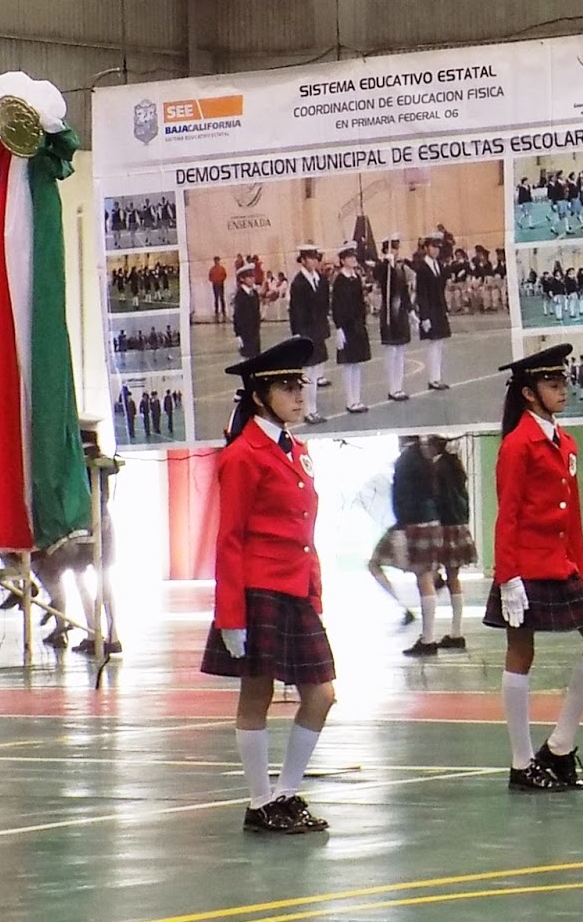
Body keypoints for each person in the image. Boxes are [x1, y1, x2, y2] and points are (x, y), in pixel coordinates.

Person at [199, 337, 336, 834]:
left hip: (294, 591)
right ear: (259, 396)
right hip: (257, 592)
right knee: (255, 699)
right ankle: (260, 803)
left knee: (321, 695)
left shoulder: (295, 450)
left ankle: (287, 793)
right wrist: (230, 615)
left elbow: (304, 530)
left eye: (300, 384)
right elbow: (229, 539)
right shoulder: (243, 456)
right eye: (286, 386)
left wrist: (313, 590)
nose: (299, 395)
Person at [485, 345, 583, 791]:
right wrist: (507, 578)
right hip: (524, 568)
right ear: (528, 393)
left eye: (563, 382)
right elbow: (508, 515)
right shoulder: (518, 444)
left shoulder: (566, 442)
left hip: (559, 565)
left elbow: (572, 514)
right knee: (522, 653)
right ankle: (522, 763)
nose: (562, 389)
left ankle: (559, 746)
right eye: (552, 383)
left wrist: (578, 567)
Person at [368, 436, 447, 653]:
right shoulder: (426, 460)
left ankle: (425, 635)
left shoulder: (405, 460)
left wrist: (401, 528)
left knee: (377, 564)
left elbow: (400, 497)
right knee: (425, 576)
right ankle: (424, 628)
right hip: (431, 521)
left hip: (412, 524)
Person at [431, 436, 475, 650]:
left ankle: (455, 632)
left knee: (432, 572)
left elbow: (437, 498)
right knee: (454, 578)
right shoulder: (455, 466)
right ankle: (457, 631)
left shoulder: (438, 468)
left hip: (445, 525)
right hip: (459, 524)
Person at [287, 245, 331, 424]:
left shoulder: (320, 280)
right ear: (303, 260)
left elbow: (324, 305)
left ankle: (314, 409)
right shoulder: (298, 283)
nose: (314, 261)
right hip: (305, 331)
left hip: (318, 330)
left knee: (315, 372)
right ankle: (308, 410)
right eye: (310, 258)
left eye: (315, 258)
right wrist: (297, 333)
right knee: (308, 373)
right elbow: (295, 310)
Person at [330, 243, 372, 414]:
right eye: (349, 257)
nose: (353, 259)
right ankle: (350, 400)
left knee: (357, 364)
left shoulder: (355, 278)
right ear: (342, 260)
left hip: (357, 326)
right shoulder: (340, 280)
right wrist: (339, 327)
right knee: (349, 365)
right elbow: (337, 306)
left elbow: (360, 304)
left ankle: (357, 398)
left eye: (354, 256)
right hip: (346, 326)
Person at [375, 235, 414, 402]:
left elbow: (404, 292)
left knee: (401, 353)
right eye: (392, 249)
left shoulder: (400, 268)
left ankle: (399, 387)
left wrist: (411, 311)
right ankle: (392, 388)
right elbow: (378, 276)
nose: (395, 252)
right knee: (391, 353)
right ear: (386, 251)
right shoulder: (384, 268)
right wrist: (386, 263)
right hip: (390, 314)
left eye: (396, 249)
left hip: (401, 314)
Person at [413, 233, 452, 391]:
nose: (436, 250)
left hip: (439, 310)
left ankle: (437, 377)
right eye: (433, 247)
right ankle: (433, 378)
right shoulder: (422, 268)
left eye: (437, 247)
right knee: (433, 345)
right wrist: (425, 317)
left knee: (439, 344)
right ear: (427, 248)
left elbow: (440, 291)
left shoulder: (439, 266)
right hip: (430, 311)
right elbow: (421, 294)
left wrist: (445, 309)